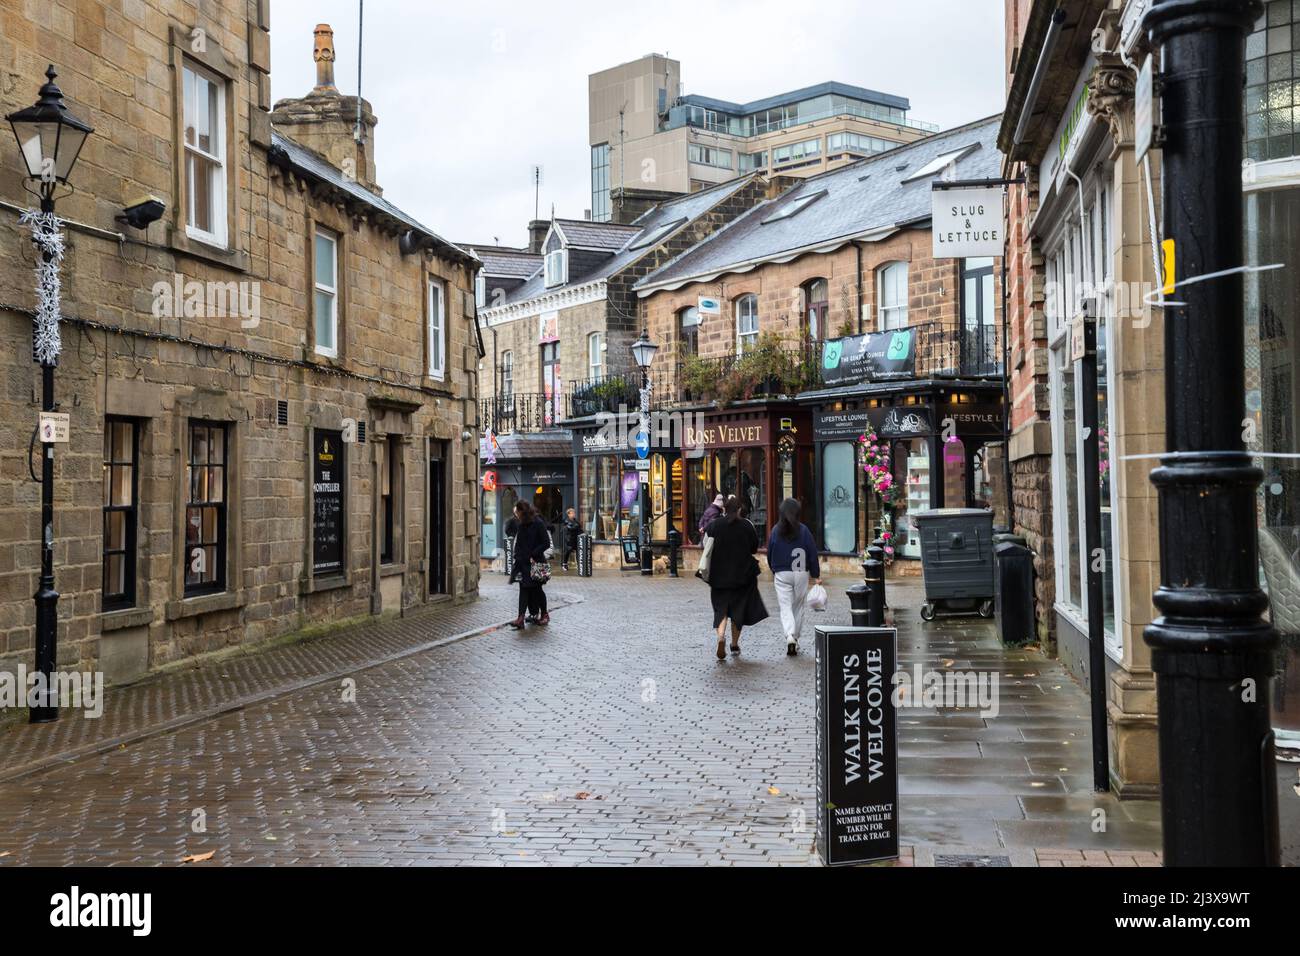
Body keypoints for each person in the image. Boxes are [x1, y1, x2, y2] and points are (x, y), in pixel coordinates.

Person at [705, 495, 768, 660]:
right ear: (739, 509)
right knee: (738, 611)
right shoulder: (747, 527)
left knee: (721, 610)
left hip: (718, 577)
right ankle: (734, 644)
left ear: (724, 509)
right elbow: (754, 548)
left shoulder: (714, 526)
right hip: (742, 577)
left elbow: (705, 546)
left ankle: (720, 637)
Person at [767, 497, 821, 656]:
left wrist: (773, 569)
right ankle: (795, 637)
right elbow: (812, 553)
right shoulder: (804, 530)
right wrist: (816, 574)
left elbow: (770, 552)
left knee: (786, 607)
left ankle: (790, 635)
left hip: (782, 572)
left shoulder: (776, 530)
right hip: (801, 573)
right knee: (798, 606)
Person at [508, 500, 552, 628]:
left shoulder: (538, 523)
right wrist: (517, 556)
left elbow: (546, 543)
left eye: (517, 512)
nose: (516, 514)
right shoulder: (521, 524)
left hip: (536, 562)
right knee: (523, 589)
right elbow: (519, 544)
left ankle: (544, 614)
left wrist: (533, 554)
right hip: (524, 563)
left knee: (537, 590)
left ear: (523, 511)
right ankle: (520, 618)